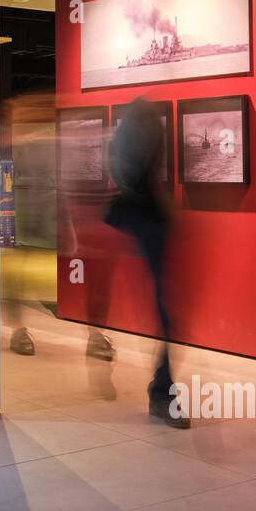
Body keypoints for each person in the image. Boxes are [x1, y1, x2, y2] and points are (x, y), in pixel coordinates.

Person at [104, 97, 188, 427]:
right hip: (150, 222)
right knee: (164, 313)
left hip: (148, 221)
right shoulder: (144, 134)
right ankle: (162, 391)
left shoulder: (130, 138)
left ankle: (162, 388)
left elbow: (126, 175)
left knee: (163, 313)